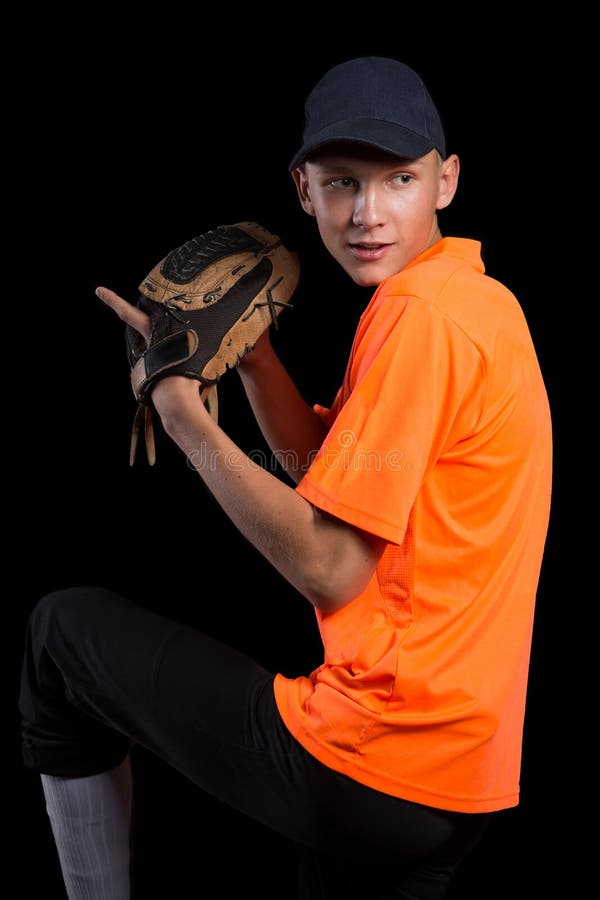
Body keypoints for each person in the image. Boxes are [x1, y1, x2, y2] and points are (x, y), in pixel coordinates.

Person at [19, 56, 552, 899]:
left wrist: (183, 415)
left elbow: (329, 566)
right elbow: (335, 472)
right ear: (303, 190)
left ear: (445, 181)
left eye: (399, 180)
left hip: (374, 756)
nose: (368, 213)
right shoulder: (475, 302)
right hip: (459, 782)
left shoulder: (418, 318)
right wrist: (257, 358)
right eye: (343, 183)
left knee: (60, 637)